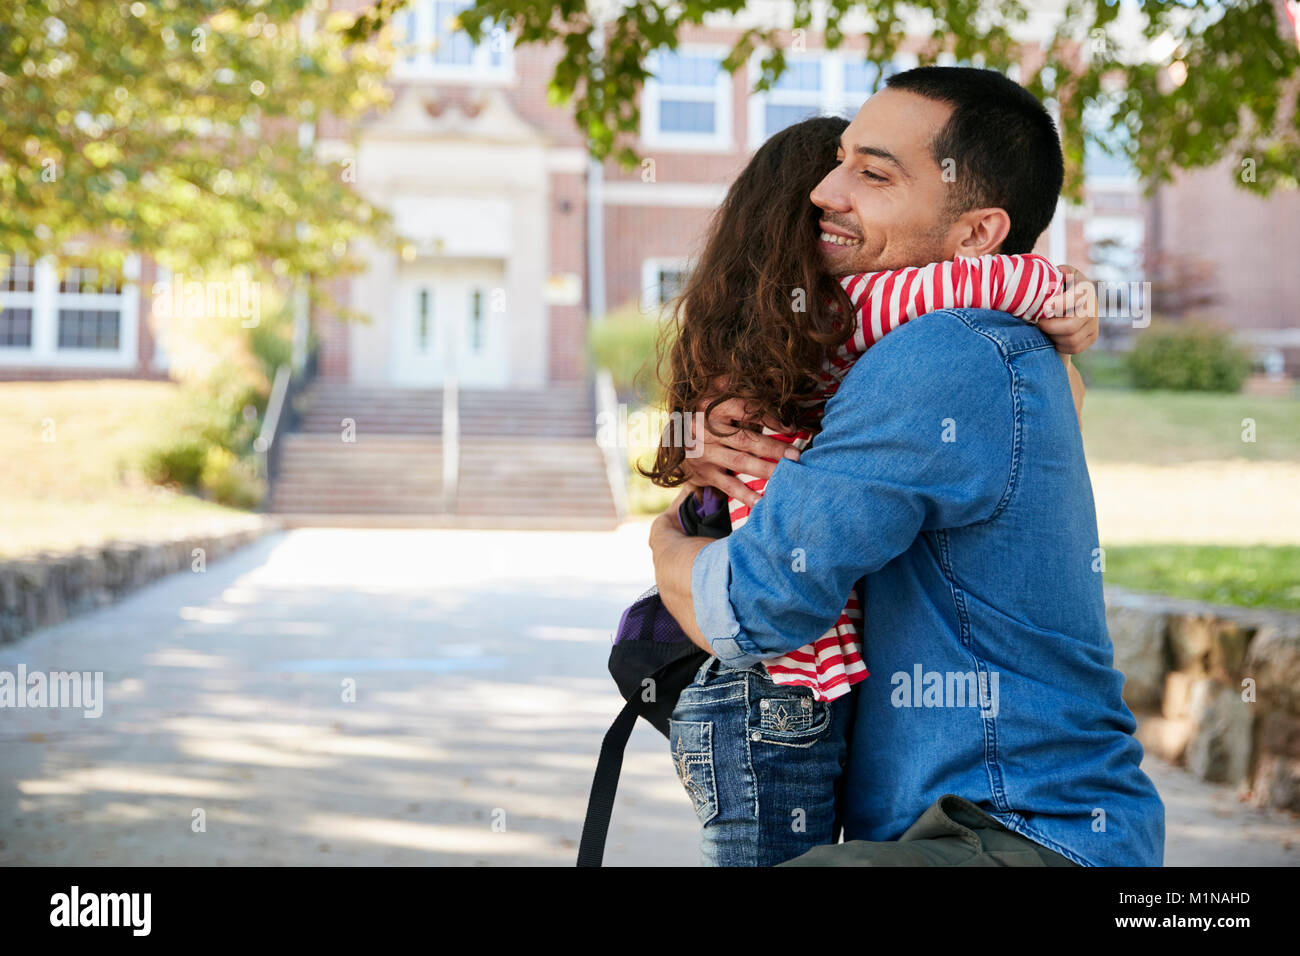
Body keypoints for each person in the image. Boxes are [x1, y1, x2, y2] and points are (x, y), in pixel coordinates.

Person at [649, 66, 1165, 867]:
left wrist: (665, 547)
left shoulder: (942, 351)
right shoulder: (932, 344)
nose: (826, 191)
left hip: (1017, 828)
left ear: (975, 236)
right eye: (840, 160)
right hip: (963, 829)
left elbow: (757, 608)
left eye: (873, 172)